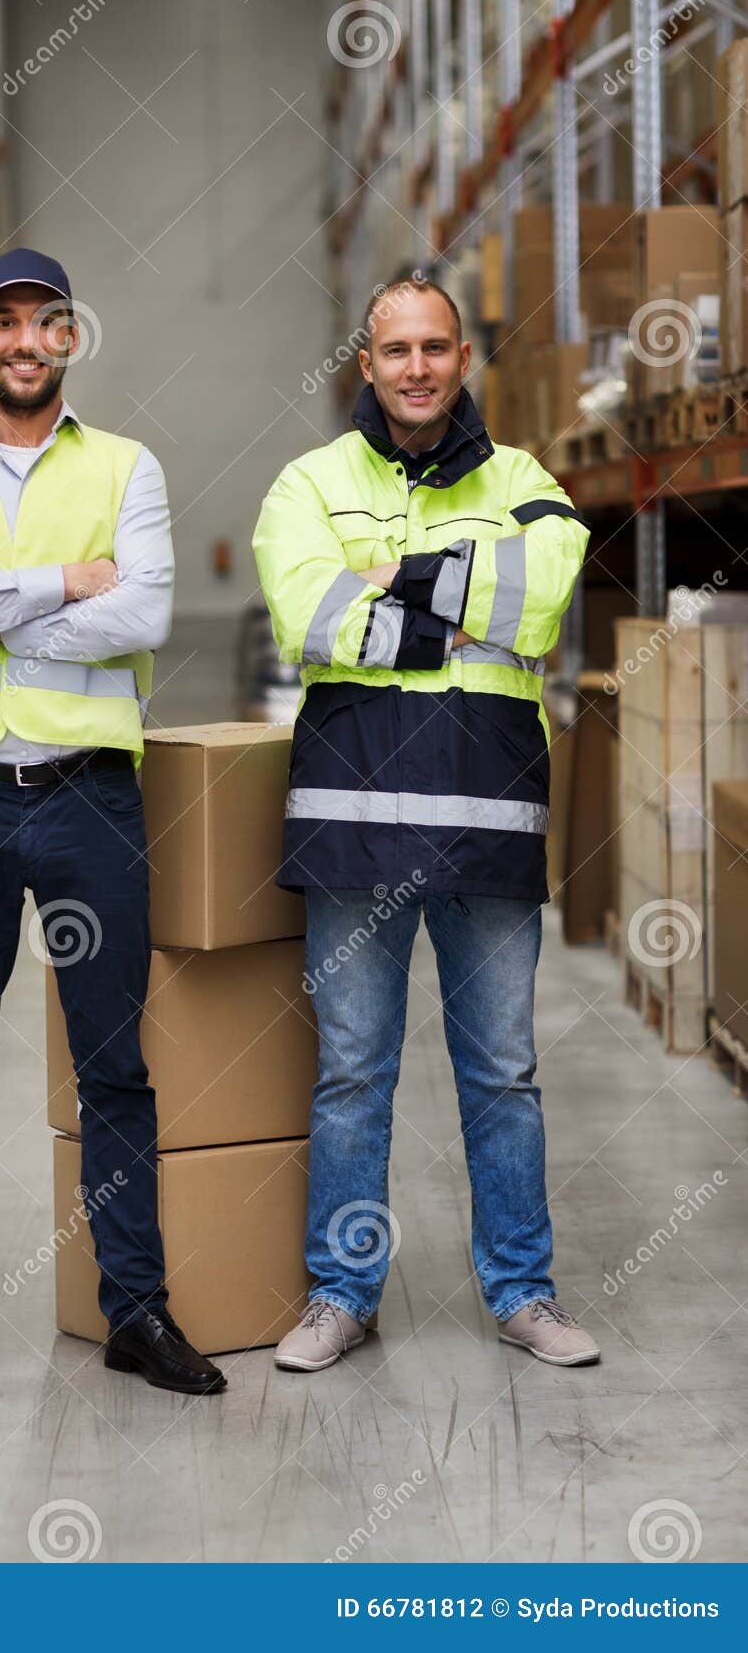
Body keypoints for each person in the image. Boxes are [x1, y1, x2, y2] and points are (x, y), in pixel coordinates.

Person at [0, 247, 225, 1400]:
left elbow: (147, 610)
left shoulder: (128, 466)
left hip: (88, 799)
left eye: (44, 322)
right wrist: (71, 581)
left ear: (70, 337)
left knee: (115, 1064)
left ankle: (136, 1311)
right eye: (2, 322)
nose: (23, 342)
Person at [252, 277, 600, 1373]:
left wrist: (384, 586)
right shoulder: (303, 483)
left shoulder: (525, 480)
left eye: (433, 348)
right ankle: (339, 1294)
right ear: (364, 362)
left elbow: (540, 598)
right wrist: (451, 596)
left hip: (486, 820)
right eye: (393, 349)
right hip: (353, 822)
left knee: (500, 1070)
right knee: (353, 1070)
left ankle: (523, 1291)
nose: (413, 367)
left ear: (462, 359)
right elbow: (302, 610)